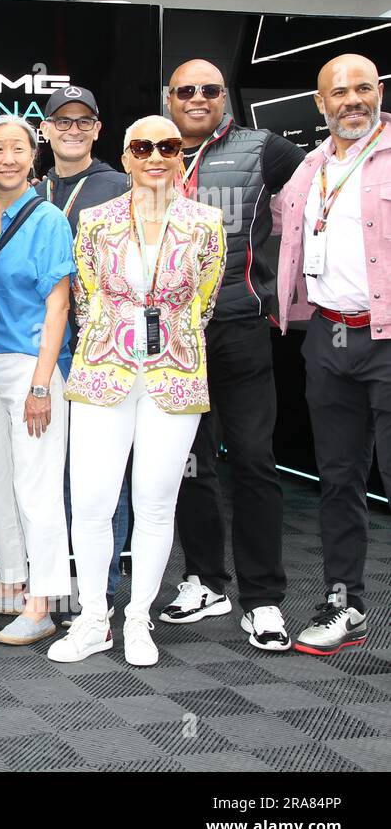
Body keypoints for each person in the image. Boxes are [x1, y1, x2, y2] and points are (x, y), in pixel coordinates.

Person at [49, 116, 225, 668]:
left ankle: (138, 618)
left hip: (174, 374)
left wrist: (165, 335)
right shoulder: (96, 222)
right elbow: (86, 294)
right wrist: (119, 336)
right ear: (124, 157)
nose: (154, 155)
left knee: (154, 501)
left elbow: (204, 302)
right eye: (141, 147)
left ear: (178, 156)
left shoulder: (207, 222)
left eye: (166, 146)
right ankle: (94, 617)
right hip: (104, 369)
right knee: (93, 501)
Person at [162, 59, 305, 651]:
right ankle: (203, 580)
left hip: (239, 326)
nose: (197, 98)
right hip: (172, 335)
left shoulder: (262, 147)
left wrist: (277, 286)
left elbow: (321, 189)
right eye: (185, 90)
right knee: (187, 462)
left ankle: (264, 600)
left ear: (225, 98)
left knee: (251, 459)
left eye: (209, 90)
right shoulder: (154, 147)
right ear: (169, 98)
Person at [274, 53, 389, 655]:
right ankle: (345, 605)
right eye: (338, 92)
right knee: (340, 480)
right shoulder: (308, 170)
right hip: (329, 336)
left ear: (378, 92)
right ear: (319, 105)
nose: (352, 100)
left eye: (362, 88)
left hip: (388, 336)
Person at [0, 115, 74, 646]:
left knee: (37, 489)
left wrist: (40, 385)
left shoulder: (49, 219)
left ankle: (44, 602)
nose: (8, 158)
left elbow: (59, 306)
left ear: (32, 156)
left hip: (34, 367)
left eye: (18, 148)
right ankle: (12, 583)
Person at [34, 85, 132, 625]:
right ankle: (49, 581)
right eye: (61, 121)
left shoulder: (121, 185)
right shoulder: (28, 188)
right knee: (47, 471)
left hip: (102, 350)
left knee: (99, 473)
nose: (71, 129)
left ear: (97, 129)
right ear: (44, 129)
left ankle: (101, 587)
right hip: (41, 350)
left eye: (83, 121)